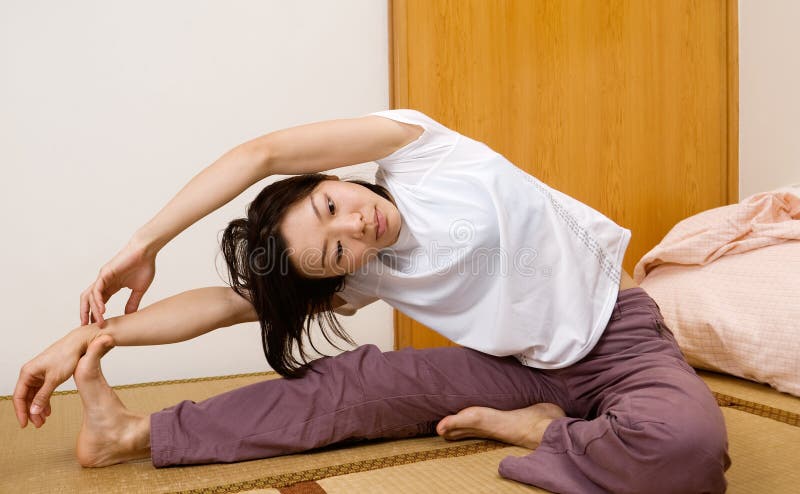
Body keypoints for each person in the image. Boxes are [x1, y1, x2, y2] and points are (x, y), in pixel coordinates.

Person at [14, 109, 730, 493]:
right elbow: (229, 305)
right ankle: (134, 435)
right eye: (334, 251)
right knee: (347, 388)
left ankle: (535, 432)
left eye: (330, 203)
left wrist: (146, 241)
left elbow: (259, 155)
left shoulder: (423, 150)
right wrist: (91, 337)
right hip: (514, 367)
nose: (354, 225)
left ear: (328, 177)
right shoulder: (367, 274)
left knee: (690, 448)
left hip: (622, 341)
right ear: (337, 274)